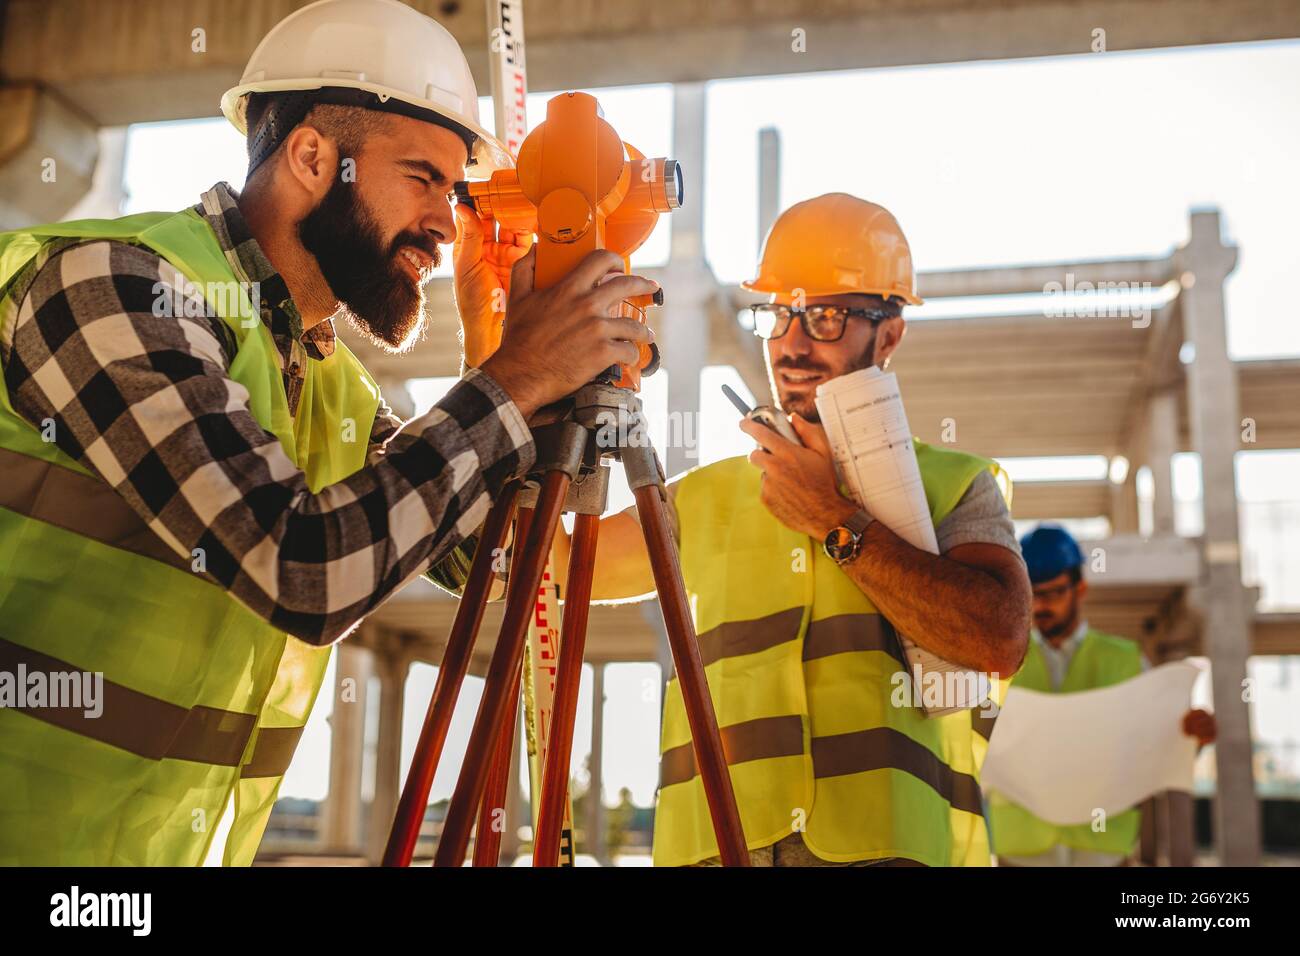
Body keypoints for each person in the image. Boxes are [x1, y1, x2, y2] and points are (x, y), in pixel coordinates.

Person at [0, 0, 655, 865]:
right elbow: (304, 566)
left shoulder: (325, 384)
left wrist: (517, 374)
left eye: (457, 193)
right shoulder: (110, 287)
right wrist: (516, 380)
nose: (446, 224)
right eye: (423, 178)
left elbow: (481, 559)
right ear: (312, 156)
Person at [502, 192, 1034, 866]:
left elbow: (997, 640)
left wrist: (837, 522)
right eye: (778, 315)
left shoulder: (954, 483)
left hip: (887, 851)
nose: (792, 342)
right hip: (716, 847)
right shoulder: (707, 497)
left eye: (827, 317)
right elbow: (553, 571)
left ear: (890, 334)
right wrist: (510, 368)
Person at [988, 524, 1217, 866]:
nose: (1041, 606)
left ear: (1080, 588)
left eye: (1053, 593)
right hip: (1021, 847)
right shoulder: (996, 662)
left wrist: (1193, 737)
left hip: (1103, 847)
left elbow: (1155, 743)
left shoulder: (1125, 658)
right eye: (1033, 595)